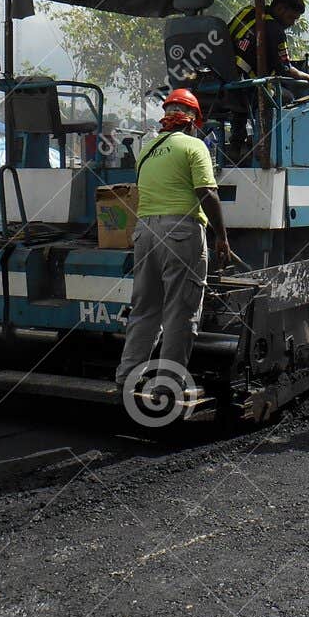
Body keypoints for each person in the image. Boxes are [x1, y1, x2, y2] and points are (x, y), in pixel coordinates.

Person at [116, 89, 231, 409]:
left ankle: (127, 376)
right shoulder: (195, 146)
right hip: (181, 233)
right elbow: (207, 191)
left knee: (145, 307)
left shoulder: (146, 149)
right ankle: (168, 385)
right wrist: (222, 236)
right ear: (193, 122)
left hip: (145, 233)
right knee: (181, 311)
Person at [225, 0, 309, 150]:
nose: (293, 23)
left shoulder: (246, 12)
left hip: (227, 82)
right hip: (250, 88)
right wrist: (308, 77)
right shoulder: (275, 30)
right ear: (280, 9)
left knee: (245, 93)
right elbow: (285, 69)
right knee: (288, 97)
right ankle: (269, 147)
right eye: (291, 18)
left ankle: (236, 142)